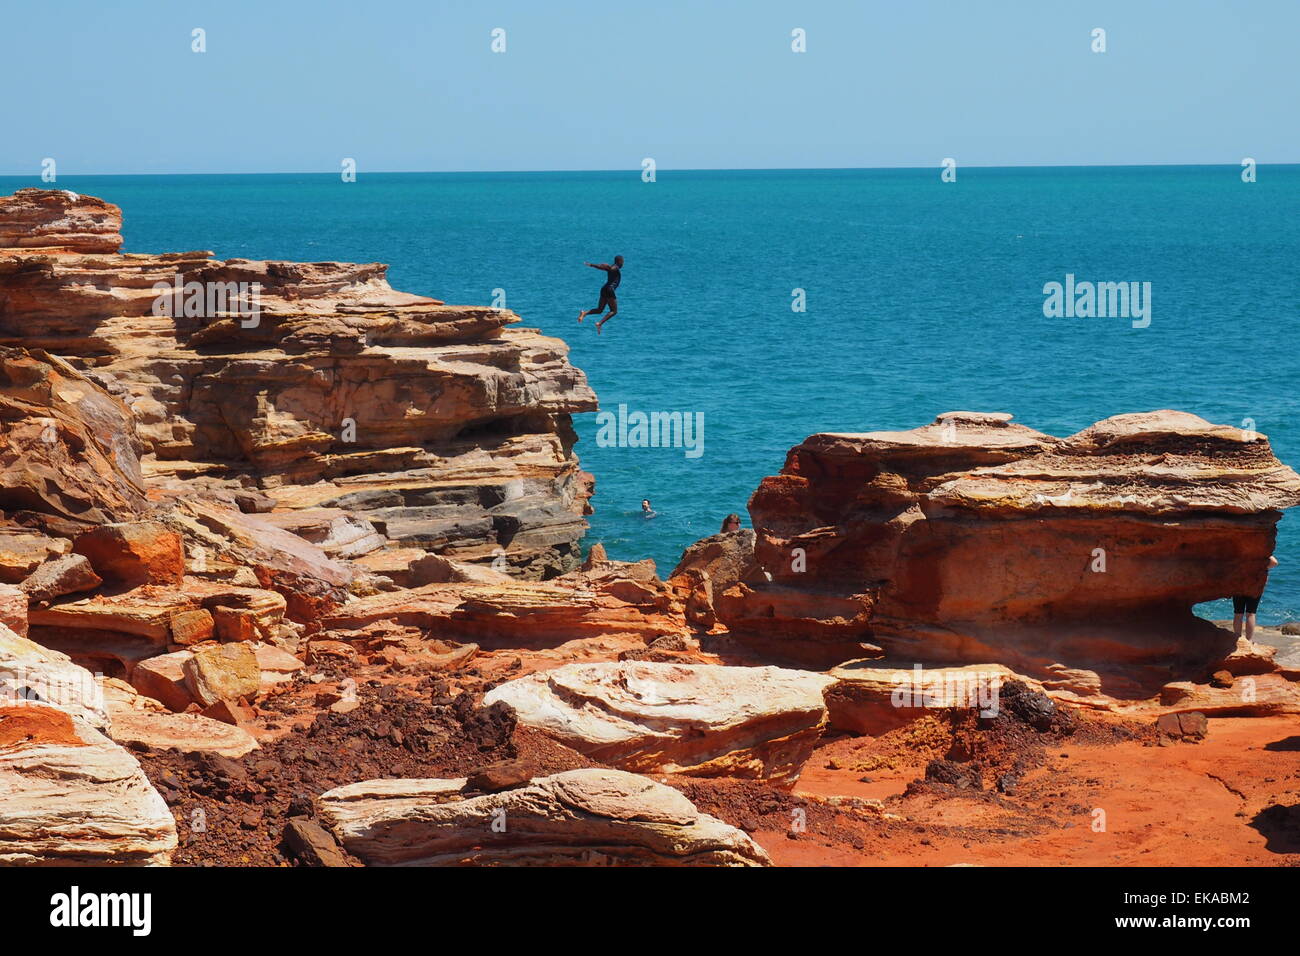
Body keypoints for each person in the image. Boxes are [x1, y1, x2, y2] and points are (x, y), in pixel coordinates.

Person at [1233, 554, 1279, 642]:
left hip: (1239, 584)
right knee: (1251, 613)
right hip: (1254, 585)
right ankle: (1249, 640)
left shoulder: (1239, 550)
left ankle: (1237, 639)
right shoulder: (1258, 551)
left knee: (1238, 613)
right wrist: (1262, 568)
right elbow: (1275, 562)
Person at [577, 255, 623, 333]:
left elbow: (604, 268)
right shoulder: (615, 267)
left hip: (604, 289)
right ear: (619, 262)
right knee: (614, 311)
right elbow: (609, 268)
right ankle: (599, 323)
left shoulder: (612, 268)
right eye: (622, 262)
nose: (623, 264)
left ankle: (584, 313)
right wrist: (606, 266)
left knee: (599, 310)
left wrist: (592, 265)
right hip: (609, 290)